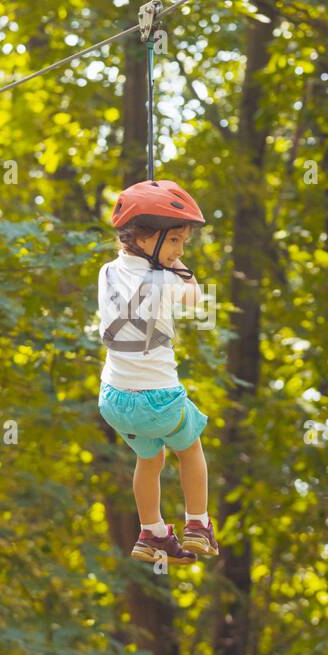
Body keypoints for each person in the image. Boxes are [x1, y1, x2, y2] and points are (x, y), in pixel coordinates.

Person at [97, 179, 218, 565]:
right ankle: (197, 524)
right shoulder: (166, 279)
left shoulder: (105, 273)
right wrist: (177, 267)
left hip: (115, 402)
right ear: (146, 239)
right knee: (190, 447)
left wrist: (162, 253)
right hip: (160, 400)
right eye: (176, 241)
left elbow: (132, 267)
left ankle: (151, 532)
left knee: (149, 460)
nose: (180, 251)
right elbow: (199, 303)